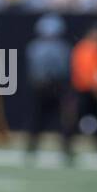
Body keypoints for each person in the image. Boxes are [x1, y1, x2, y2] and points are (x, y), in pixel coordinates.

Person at [25, 14, 73, 162]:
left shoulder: (37, 47)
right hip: (49, 86)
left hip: (50, 86)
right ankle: (33, 147)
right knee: (40, 118)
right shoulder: (57, 47)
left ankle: (61, 147)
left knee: (55, 119)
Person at [71, 23, 97, 153]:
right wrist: (94, 86)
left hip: (93, 89)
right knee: (76, 118)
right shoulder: (86, 48)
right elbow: (84, 71)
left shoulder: (96, 48)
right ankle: (66, 146)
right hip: (84, 90)